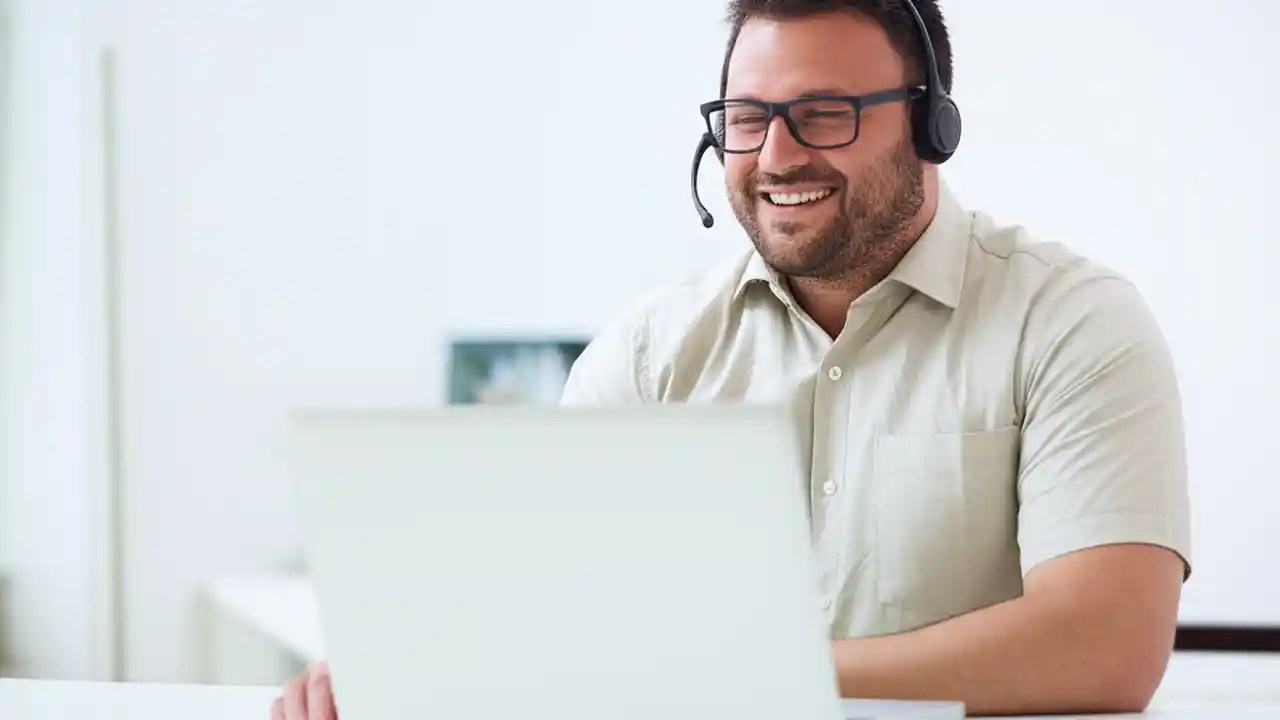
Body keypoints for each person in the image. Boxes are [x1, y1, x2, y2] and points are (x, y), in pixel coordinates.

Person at [271, 1, 1191, 718]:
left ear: (930, 127)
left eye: (823, 115)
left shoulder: (1072, 324)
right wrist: (406, 670)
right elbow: (544, 608)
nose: (775, 155)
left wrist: (768, 688)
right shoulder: (649, 355)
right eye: (746, 120)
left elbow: (1105, 646)